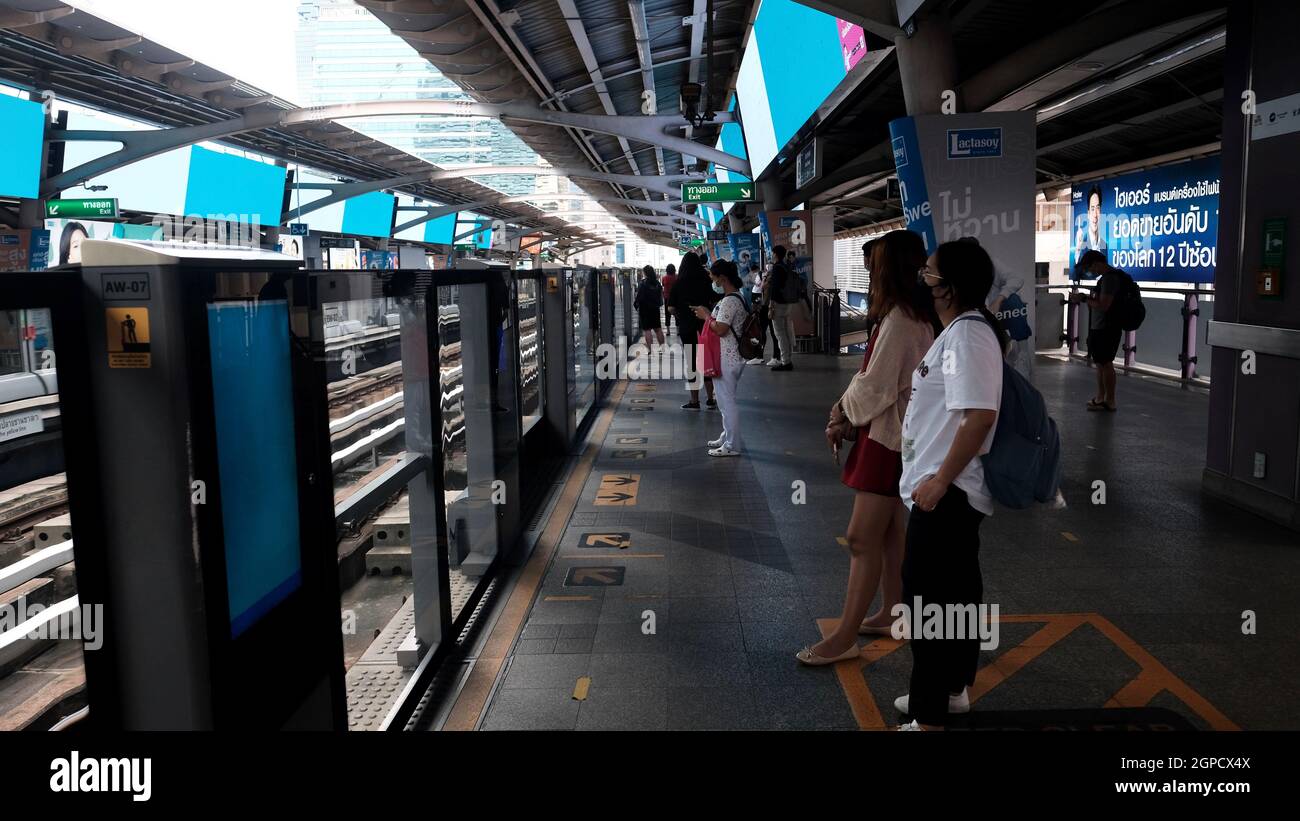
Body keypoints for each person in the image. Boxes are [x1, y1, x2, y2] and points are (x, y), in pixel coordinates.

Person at [797, 230, 936, 665]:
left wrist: (839, 413)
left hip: (888, 440)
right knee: (893, 534)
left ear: (888, 271)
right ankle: (895, 612)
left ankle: (843, 639)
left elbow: (875, 387)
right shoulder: (916, 316)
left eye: (874, 267)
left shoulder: (898, 321)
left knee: (860, 538)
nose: (869, 276)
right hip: (904, 437)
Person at [895, 238, 1005, 731]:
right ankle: (953, 691)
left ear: (951, 287)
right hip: (949, 491)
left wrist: (940, 480)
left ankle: (929, 717)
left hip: (948, 494)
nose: (924, 280)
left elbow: (980, 415)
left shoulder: (967, 337)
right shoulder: (962, 331)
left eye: (931, 274)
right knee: (955, 596)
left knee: (928, 604)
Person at [691, 259, 748, 456]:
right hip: (730, 356)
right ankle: (726, 436)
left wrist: (706, 316)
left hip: (727, 357)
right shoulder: (737, 298)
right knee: (725, 401)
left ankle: (732, 445)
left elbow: (721, 329)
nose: (712, 282)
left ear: (723, 279)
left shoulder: (730, 301)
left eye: (714, 278)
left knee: (727, 402)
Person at [1072, 248, 1124, 411]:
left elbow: (1103, 305)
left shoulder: (1110, 279)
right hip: (1101, 327)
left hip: (1106, 328)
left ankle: (1109, 400)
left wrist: (1084, 298)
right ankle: (1102, 397)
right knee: (1101, 363)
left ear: (1096, 263)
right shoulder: (1106, 279)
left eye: (1089, 268)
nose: (1090, 272)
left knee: (1106, 363)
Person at [667, 251, 718, 410]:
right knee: (706, 360)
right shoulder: (706, 280)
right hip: (705, 326)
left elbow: (670, 308)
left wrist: (681, 314)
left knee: (692, 363)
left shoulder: (678, 283)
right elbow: (715, 299)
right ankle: (711, 399)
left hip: (687, 327)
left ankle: (695, 401)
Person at [763, 244, 797, 371]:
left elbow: (775, 288)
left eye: (772, 253)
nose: (771, 255)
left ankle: (785, 362)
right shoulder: (786, 266)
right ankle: (788, 359)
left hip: (778, 304)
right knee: (786, 332)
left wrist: (771, 304)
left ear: (775, 254)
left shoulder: (777, 268)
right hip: (787, 303)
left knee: (780, 334)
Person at [635, 265, 666, 346]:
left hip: (645, 309)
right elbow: (660, 296)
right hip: (655, 309)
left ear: (645, 273)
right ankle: (662, 348)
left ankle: (650, 349)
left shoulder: (643, 283)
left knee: (647, 330)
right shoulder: (657, 283)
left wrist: (636, 304)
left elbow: (640, 296)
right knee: (658, 329)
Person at [1075, 184, 1108, 254]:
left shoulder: (1104, 246)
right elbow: (1077, 265)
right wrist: (1078, 249)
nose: (1095, 215)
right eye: (1092, 209)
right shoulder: (1081, 243)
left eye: (1098, 208)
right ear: (1088, 213)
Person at [661, 263, 678, 335]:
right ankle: (678, 330)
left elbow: (663, 285)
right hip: (676, 298)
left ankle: (668, 331)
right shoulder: (677, 277)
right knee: (677, 313)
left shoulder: (664, 278)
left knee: (667, 314)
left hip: (667, 297)